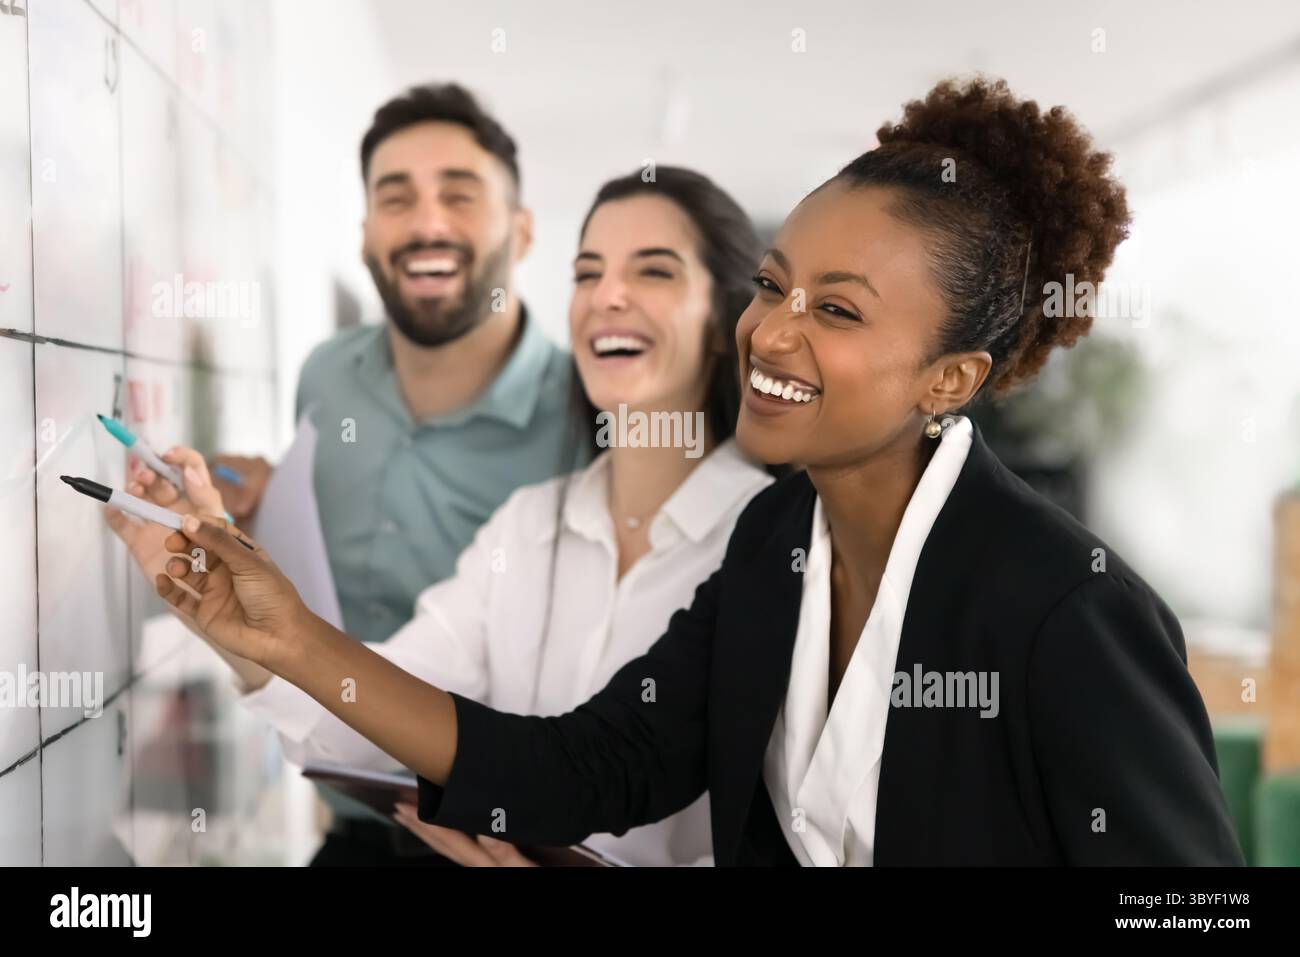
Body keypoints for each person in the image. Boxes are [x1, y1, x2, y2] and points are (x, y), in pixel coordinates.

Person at [146, 77, 1245, 865]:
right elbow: (585, 768)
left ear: (948, 380)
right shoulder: (774, 548)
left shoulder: (1062, 605)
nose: (771, 333)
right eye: (774, 287)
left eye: (838, 311)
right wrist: (286, 636)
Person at [122, 167, 774, 866]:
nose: (607, 297)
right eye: (587, 273)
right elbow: (372, 711)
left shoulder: (775, 542)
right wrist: (218, 596)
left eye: (654, 272)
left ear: (724, 322)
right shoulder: (526, 526)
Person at [112, 82, 583, 866]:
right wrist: (245, 510)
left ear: (522, 231)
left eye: (459, 195)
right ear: (366, 231)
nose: (427, 223)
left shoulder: (584, 414)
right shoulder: (326, 376)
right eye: (395, 198)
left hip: (507, 844)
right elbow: (307, 571)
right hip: (353, 826)